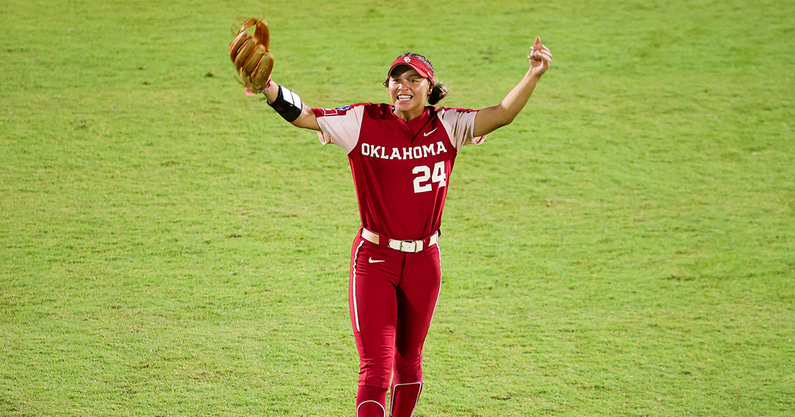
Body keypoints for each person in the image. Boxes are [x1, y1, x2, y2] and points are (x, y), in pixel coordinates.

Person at [259, 37, 551, 417]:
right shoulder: (363, 120)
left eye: (415, 79)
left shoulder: (449, 125)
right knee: (376, 370)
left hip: (424, 262)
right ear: (388, 86)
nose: (404, 86)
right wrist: (269, 88)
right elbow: (306, 115)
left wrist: (533, 73)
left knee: (410, 359)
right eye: (397, 78)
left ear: (430, 88)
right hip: (374, 260)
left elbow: (502, 113)